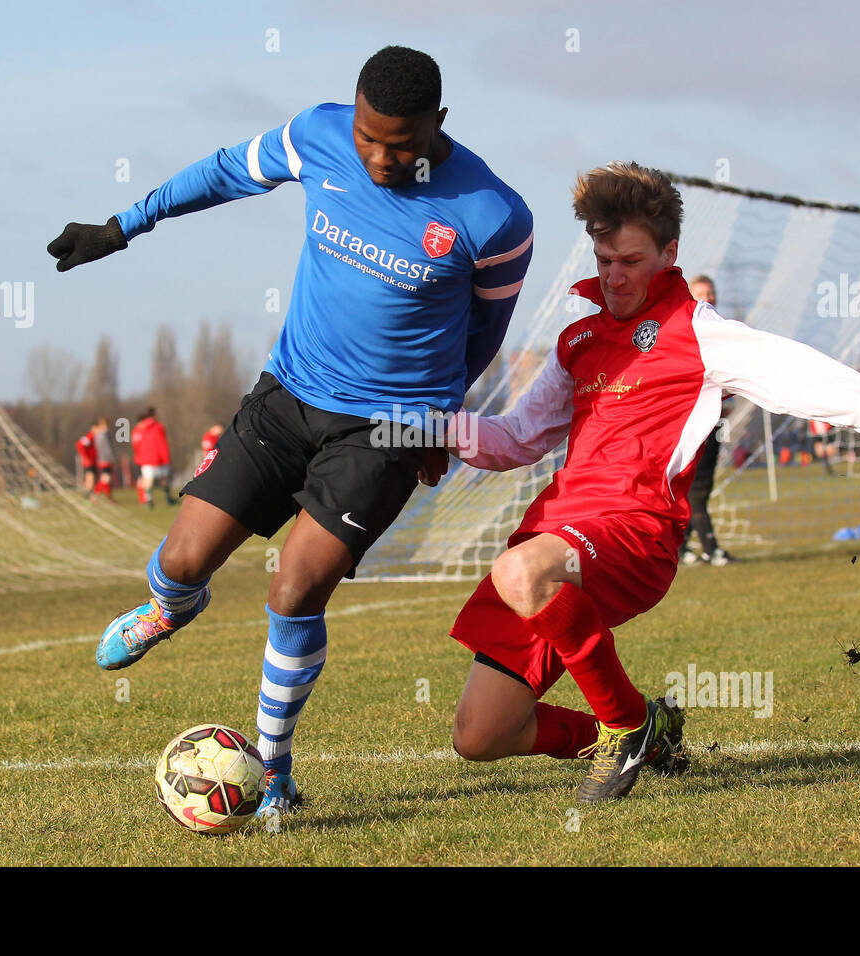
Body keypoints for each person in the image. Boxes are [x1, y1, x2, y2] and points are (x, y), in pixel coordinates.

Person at [47, 46, 533, 815]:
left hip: (386, 428)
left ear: (438, 123)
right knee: (181, 559)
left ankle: (272, 772)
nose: (379, 158)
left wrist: (437, 421)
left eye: (401, 145)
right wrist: (123, 225)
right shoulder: (318, 135)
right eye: (370, 138)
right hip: (286, 397)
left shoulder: (494, 215)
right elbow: (221, 172)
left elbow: (482, 334)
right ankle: (172, 607)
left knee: (296, 586)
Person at [444, 163, 860, 803]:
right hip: (556, 535)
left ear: (669, 253)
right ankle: (652, 731)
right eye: (603, 258)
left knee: (519, 573)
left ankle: (625, 725)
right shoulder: (577, 340)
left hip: (635, 533)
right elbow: (518, 438)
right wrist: (430, 427)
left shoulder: (699, 332)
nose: (613, 276)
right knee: (480, 735)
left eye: (631, 261)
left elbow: (793, 372)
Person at [679, 274, 735, 566]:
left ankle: (682, 548)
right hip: (692, 426)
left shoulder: (722, 332)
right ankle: (712, 550)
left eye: (711, 293)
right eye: (700, 294)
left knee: (699, 487)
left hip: (715, 425)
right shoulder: (687, 333)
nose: (708, 298)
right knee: (696, 489)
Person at [132, 408, 176, 507]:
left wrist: (138, 458)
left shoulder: (137, 430)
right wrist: (166, 457)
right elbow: (162, 443)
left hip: (145, 459)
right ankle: (168, 498)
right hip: (159, 458)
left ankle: (149, 501)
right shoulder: (158, 427)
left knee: (148, 480)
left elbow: (136, 446)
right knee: (164, 479)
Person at [75, 425, 98, 493]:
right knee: (90, 479)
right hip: (89, 461)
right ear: (93, 428)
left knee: (92, 480)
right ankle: (87, 496)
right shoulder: (89, 437)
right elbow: (79, 445)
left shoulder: (95, 437)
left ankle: (90, 496)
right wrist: (85, 457)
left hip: (93, 461)